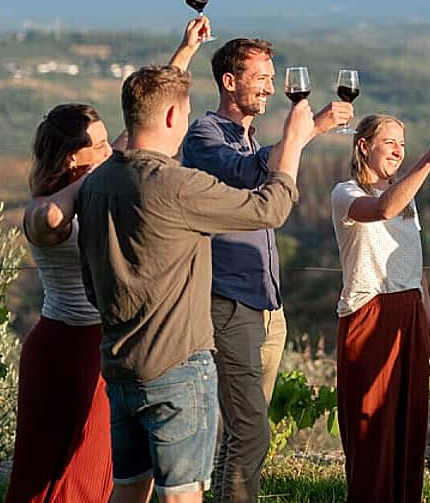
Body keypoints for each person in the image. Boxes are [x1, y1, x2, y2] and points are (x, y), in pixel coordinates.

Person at [76, 62, 316, 503]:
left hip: (120, 364)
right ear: (170, 116)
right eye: (185, 114)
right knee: (181, 495)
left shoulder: (96, 184)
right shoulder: (176, 186)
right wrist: (296, 143)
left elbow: (91, 283)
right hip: (177, 368)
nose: (187, 123)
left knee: (128, 491)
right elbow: (269, 210)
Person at [6, 17, 208, 503]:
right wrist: (97, 175)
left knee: (100, 470)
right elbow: (47, 218)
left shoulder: (95, 172)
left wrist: (183, 53)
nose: (108, 148)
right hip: (62, 350)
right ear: (70, 157)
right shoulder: (46, 207)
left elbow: (136, 130)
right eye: (95, 145)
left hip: (103, 344)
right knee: (48, 470)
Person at [180, 38, 352, 503]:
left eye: (272, 80)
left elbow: (265, 161)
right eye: (261, 79)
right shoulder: (204, 136)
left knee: (240, 434)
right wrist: (302, 134)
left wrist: (309, 130)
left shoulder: (249, 135)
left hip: (266, 304)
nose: (270, 89)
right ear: (229, 82)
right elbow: (248, 173)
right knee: (251, 433)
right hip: (229, 302)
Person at [329, 114, 430, 503]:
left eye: (402, 143)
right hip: (369, 319)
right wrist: (428, 161)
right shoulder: (345, 193)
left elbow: (416, 272)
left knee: (408, 431)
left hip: (411, 318)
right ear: (363, 146)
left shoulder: (407, 195)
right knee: (372, 434)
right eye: (389, 143)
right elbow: (383, 208)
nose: (399, 150)